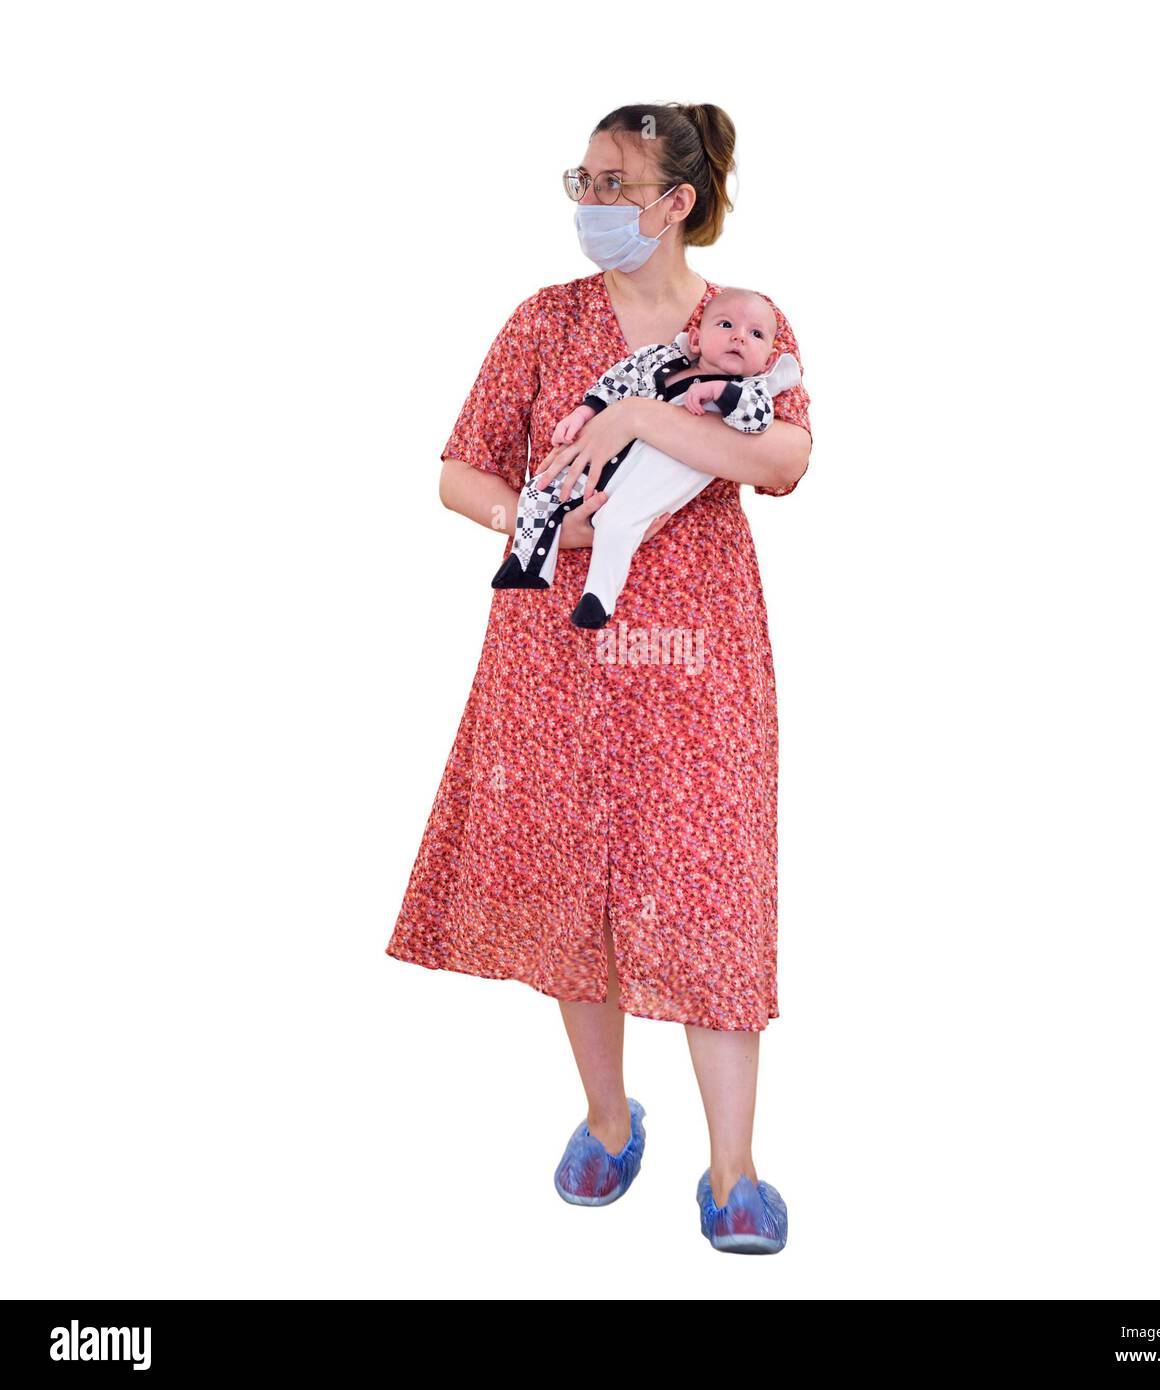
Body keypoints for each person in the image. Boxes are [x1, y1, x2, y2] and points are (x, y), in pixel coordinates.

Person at [385, 101, 812, 1255]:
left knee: (711, 888)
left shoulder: (745, 322)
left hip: (696, 653)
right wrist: (542, 526)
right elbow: (459, 470)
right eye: (582, 176)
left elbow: (782, 457)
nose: (589, 201)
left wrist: (644, 422)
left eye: (612, 182)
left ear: (675, 203)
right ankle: (609, 1115)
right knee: (574, 883)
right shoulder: (543, 319)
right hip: (555, 652)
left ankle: (733, 1169)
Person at [490, 285, 803, 628]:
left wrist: (720, 392)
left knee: (618, 522)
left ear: (769, 359)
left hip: (660, 477)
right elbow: (615, 383)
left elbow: (758, 423)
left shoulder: (752, 389)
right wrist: (582, 414)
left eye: (755, 334)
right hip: (608, 463)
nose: (740, 337)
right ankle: (526, 564)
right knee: (539, 491)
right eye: (726, 326)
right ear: (695, 339)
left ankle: (597, 599)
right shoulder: (659, 361)